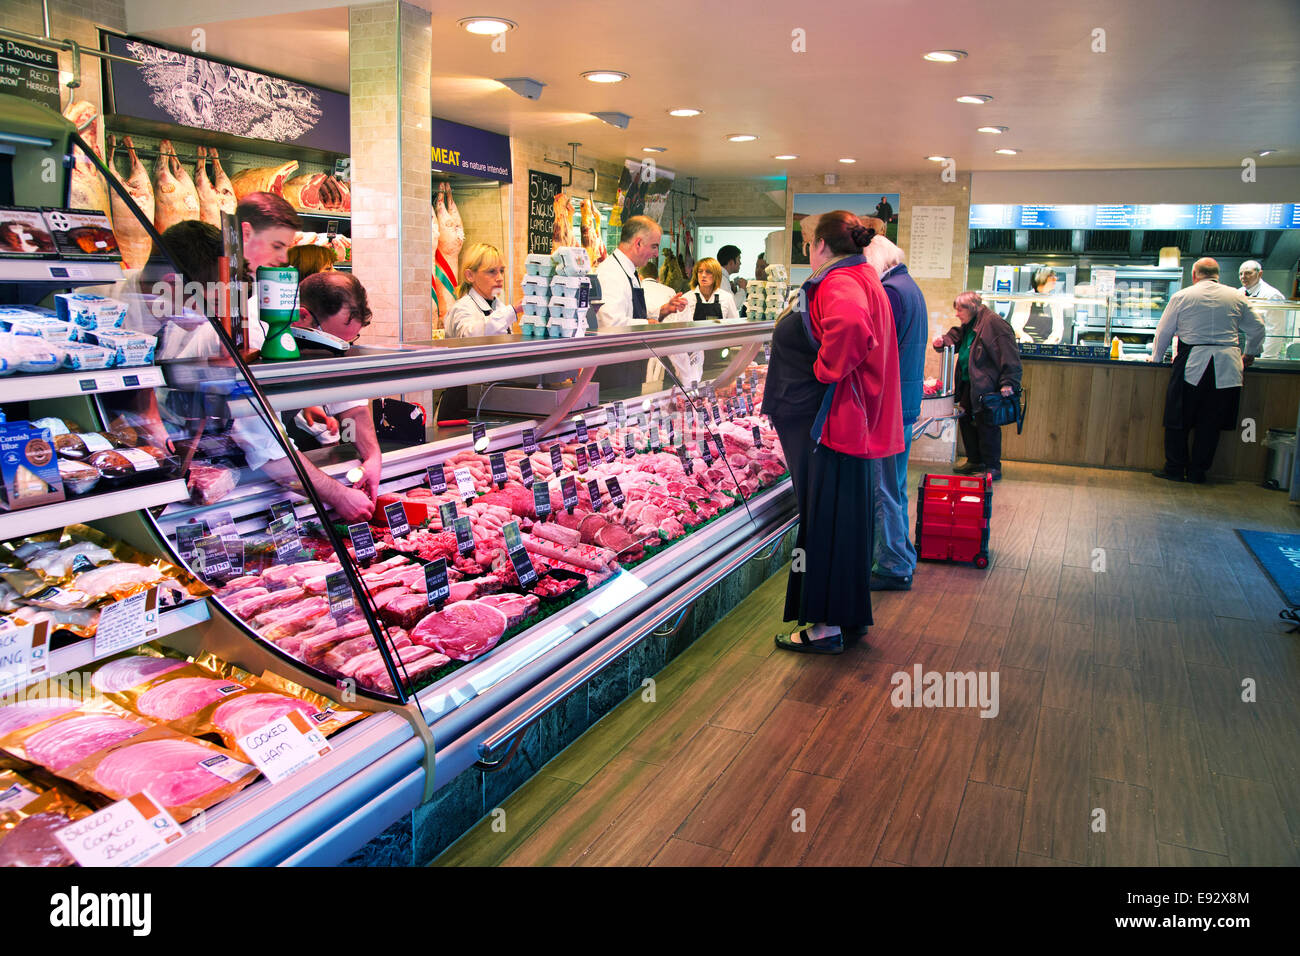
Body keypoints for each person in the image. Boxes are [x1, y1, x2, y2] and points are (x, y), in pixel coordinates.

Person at [761, 211, 902, 655]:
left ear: (820, 246)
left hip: (830, 423)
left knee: (824, 521)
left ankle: (824, 627)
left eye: (807, 242)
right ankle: (848, 615)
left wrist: (826, 370)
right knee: (844, 519)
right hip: (845, 425)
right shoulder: (862, 274)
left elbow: (851, 328)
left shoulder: (839, 281)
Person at [1151, 257, 1264, 483]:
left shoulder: (1182, 296)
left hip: (1192, 360)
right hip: (1228, 363)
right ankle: (1198, 472)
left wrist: (1155, 360)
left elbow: (1163, 332)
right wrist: (1250, 353)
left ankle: (1174, 468)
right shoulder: (1236, 295)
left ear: (1194, 275)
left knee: (1178, 418)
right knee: (1211, 422)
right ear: (1217, 274)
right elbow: (1258, 327)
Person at [866, 233, 927, 590]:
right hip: (904, 406)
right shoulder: (909, 285)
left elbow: (874, 349)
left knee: (883, 488)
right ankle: (902, 555)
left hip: (890, 409)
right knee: (896, 485)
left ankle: (893, 565)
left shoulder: (890, 292)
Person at [933, 291, 1022, 481]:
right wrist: (943, 342)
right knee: (965, 418)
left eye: (959, 310)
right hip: (969, 382)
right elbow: (957, 337)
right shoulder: (972, 322)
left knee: (987, 424)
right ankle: (975, 460)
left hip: (985, 384)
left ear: (972, 308)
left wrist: (1009, 382)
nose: (957, 314)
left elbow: (1010, 354)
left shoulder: (994, 323)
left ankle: (992, 467)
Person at [594, 216, 686, 328]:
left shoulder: (629, 271)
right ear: (638, 244)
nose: (656, 254)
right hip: (618, 345)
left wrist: (663, 310)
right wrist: (648, 324)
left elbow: (634, 314)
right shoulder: (610, 273)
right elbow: (610, 323)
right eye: (654, 246)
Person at [444, 242, 521, 338]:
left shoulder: (499, 306)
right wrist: (513, 310)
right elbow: (470, 337)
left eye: (501, 271)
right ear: (470, 275)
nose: (500, 278)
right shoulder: (461, 309)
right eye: (492, 271)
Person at [1238, 259, 1288, 359]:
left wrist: (1267, 358)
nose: (1243, 277)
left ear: (1259, 274)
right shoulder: (1238, 292)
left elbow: (1275, 330)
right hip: (1242, 351)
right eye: (1240, 274)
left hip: (1261, 352)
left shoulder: (1272, 295)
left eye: (1248, 273)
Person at [1012, 266, 1065, 344]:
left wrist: (1050, 341)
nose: (1055, 279)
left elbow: (1058, 329)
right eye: (1051, 276)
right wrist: (1023, 336)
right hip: (1025, 344)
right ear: (1041, 279)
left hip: (1047, 347)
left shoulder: (1055, 301)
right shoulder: (1025, 298)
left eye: (1055, 276)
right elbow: (1015, 326)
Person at [715, 244, 748, 313]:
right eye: (739, 259)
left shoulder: (721, 278)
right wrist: (742, 288)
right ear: (731, 262)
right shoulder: (722, 280)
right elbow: (733, 306)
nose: (740, 263)